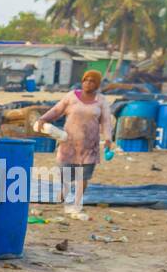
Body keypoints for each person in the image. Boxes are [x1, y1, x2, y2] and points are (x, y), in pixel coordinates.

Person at [38, 69, 115, 220]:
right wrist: (43, 119)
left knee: (83, 176)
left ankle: (77, 202)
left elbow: (106, 121)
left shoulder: (101, 101)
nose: (88, 83)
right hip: (69, 142)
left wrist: (108, 138)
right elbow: (57, 110)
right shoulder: (72, 96)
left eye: (92, 81)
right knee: (64, 172)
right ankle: (64, 193)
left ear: (97, 84)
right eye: (86, 80)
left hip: (89, 144)